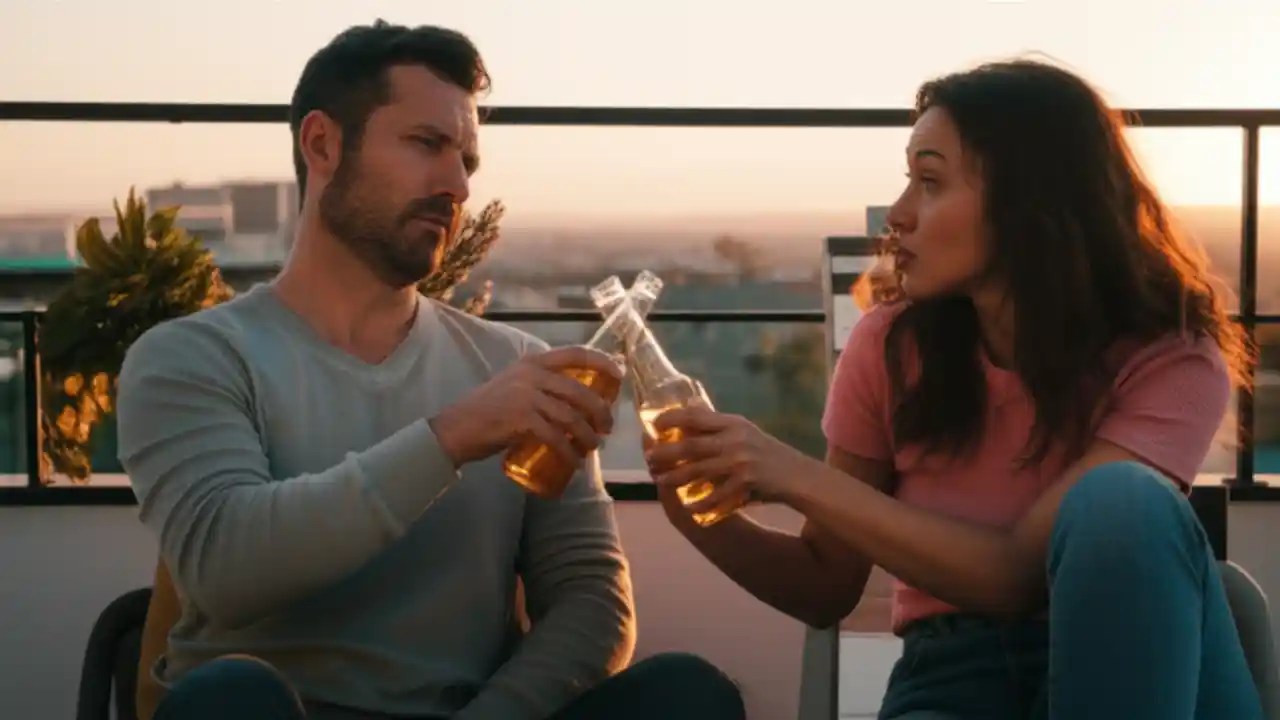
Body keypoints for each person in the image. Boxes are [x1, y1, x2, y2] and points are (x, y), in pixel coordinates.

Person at [115, 20, 744, 720]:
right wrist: (451, 437)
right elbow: (225, 569)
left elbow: (592, 601)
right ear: (322, 144)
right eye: (426, 145)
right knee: (230, 699)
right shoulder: (192, 357)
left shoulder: (514, 367)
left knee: (689, 694)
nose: (457, 185)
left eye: (467, 162)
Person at [644, 59, 1264, 720]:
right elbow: (824, 583)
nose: (900, 214)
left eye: (930, 182)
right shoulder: (890, 347)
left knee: (1122, 506)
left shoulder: (1172, 356)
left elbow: (1013, 579)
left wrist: (789, 472)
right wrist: (692, 506)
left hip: (1145, 665)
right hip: (953, 677)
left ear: (1030, 203)